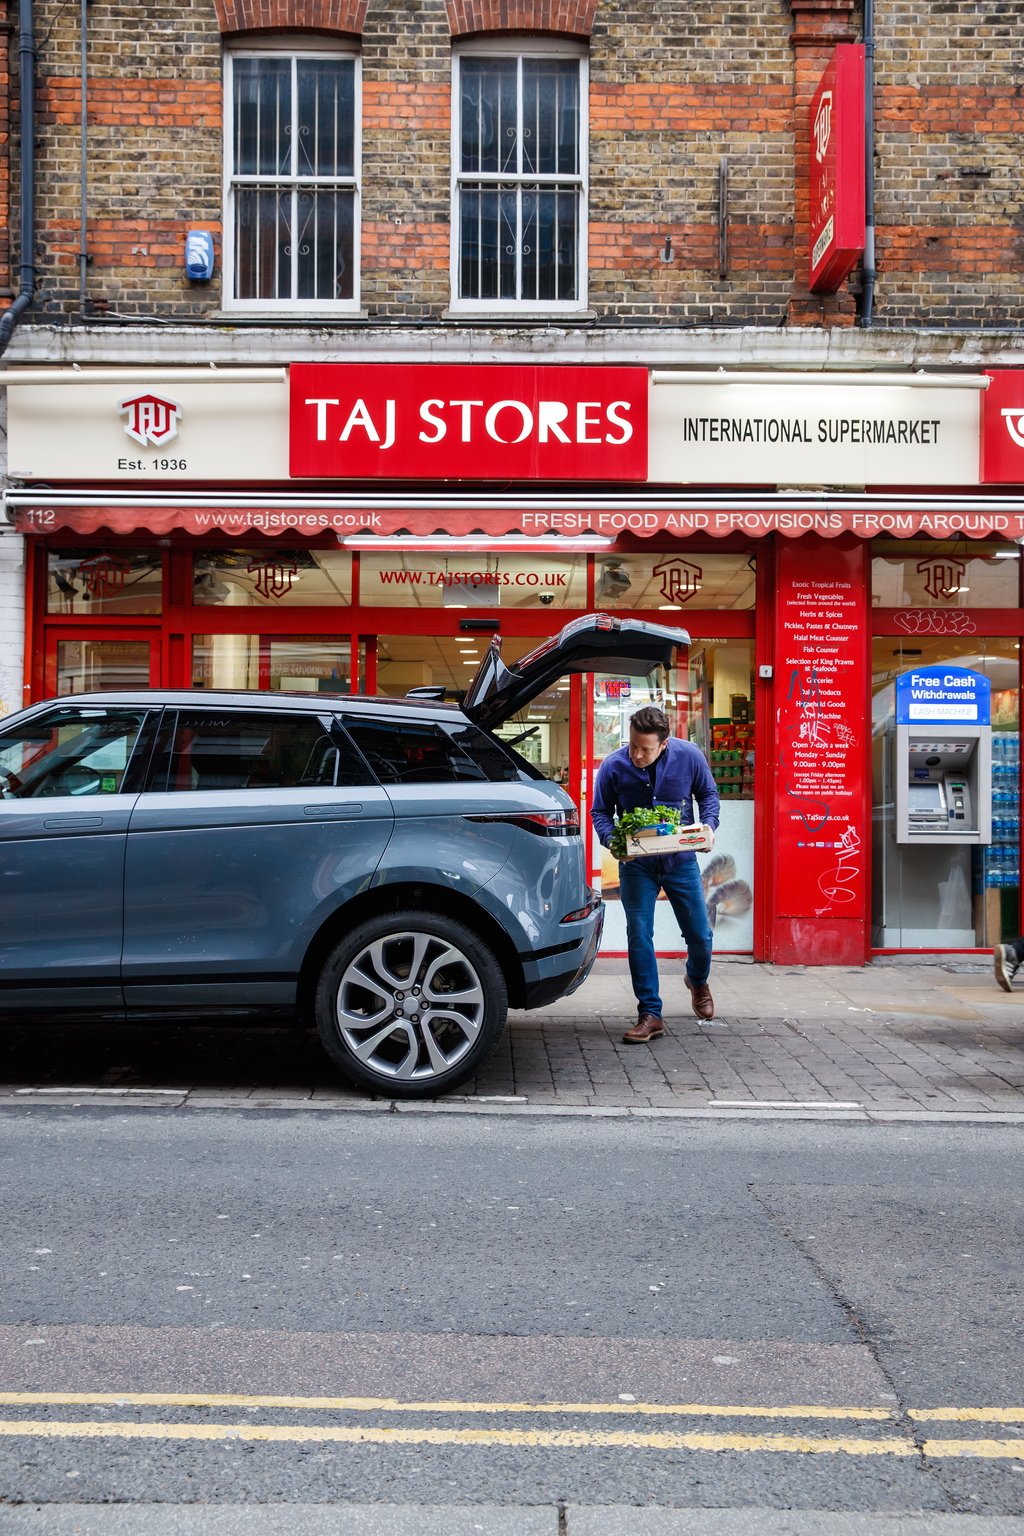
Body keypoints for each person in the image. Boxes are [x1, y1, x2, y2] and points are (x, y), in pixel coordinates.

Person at [591, 705, 720, 1041]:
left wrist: (708, 827)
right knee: (639, 935)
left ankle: (697, 979)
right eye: (633, 745)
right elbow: (600, 812)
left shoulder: (689, 756)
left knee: (700, 935)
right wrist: (612, 841)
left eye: (645, 749)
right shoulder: (613, 766)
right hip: (636, 866)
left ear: (664, 744)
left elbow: (708, 795)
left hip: (681, 862)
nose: (637, 754)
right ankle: (650, 1013)